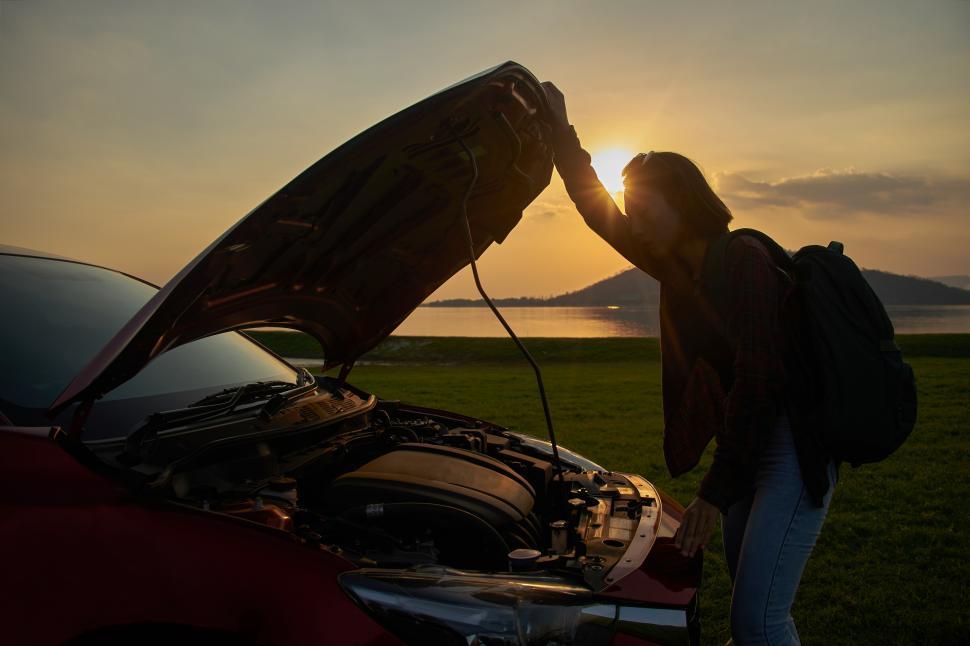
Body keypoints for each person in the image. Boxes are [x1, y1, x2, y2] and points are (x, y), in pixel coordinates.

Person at [540, 81, 840, 646]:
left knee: (758, 620)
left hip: (793, 445)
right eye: (633, 210)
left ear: (680, 206)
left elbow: (759, 382)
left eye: (645, 211)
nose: (635, 222)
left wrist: (714, 491)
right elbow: (592, 205)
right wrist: (561, 129)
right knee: (760, 608)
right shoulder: (679, 268)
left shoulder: (744, 263)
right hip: (749, 442)